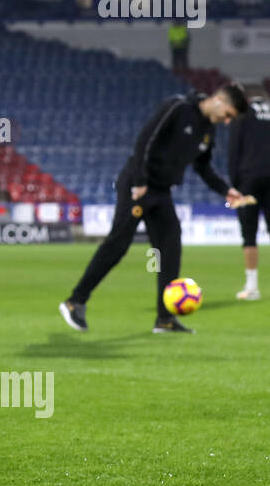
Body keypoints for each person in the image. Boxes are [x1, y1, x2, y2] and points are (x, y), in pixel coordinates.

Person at [59, 83, 248, 334]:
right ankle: (75, 301)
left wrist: (226, 190)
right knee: (118, 245)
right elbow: (144, 140)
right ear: (220, 101)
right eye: (228, 116)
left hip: (161, 191)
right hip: (139, 185)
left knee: (170, 246)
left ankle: (165, 318)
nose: (226, 122)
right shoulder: (177, 107)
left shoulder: (207, 131)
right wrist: (139, 182)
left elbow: (203, 168)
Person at [229, 96, 270, 301]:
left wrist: (234, 183)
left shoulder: (242, 114)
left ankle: (252, 287)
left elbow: (234, 150)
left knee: (249, 235)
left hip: (248, 180)